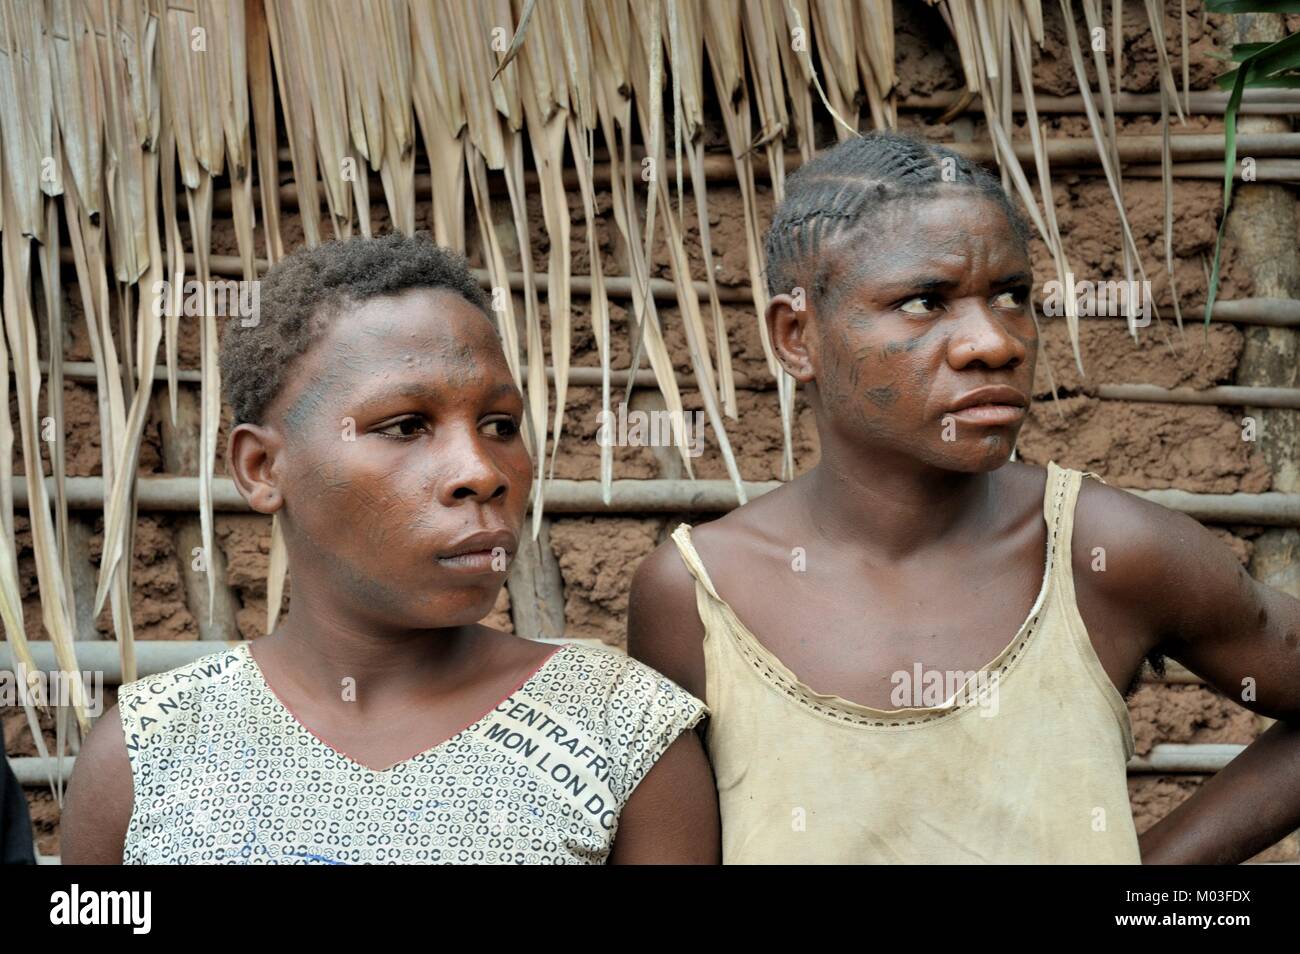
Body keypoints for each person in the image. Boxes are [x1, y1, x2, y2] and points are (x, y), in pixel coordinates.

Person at [628, 131, 1300, 864]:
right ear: (797, 337)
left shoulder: (1099, 552)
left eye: (1012, 296)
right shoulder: (697, 595)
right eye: (925, 301)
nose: (995, 342)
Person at [61, 232, 718, 864]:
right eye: (406, 426)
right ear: (262, 467)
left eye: (500, 425)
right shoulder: (148, 752)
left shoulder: (622, 732)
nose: (481, 470)